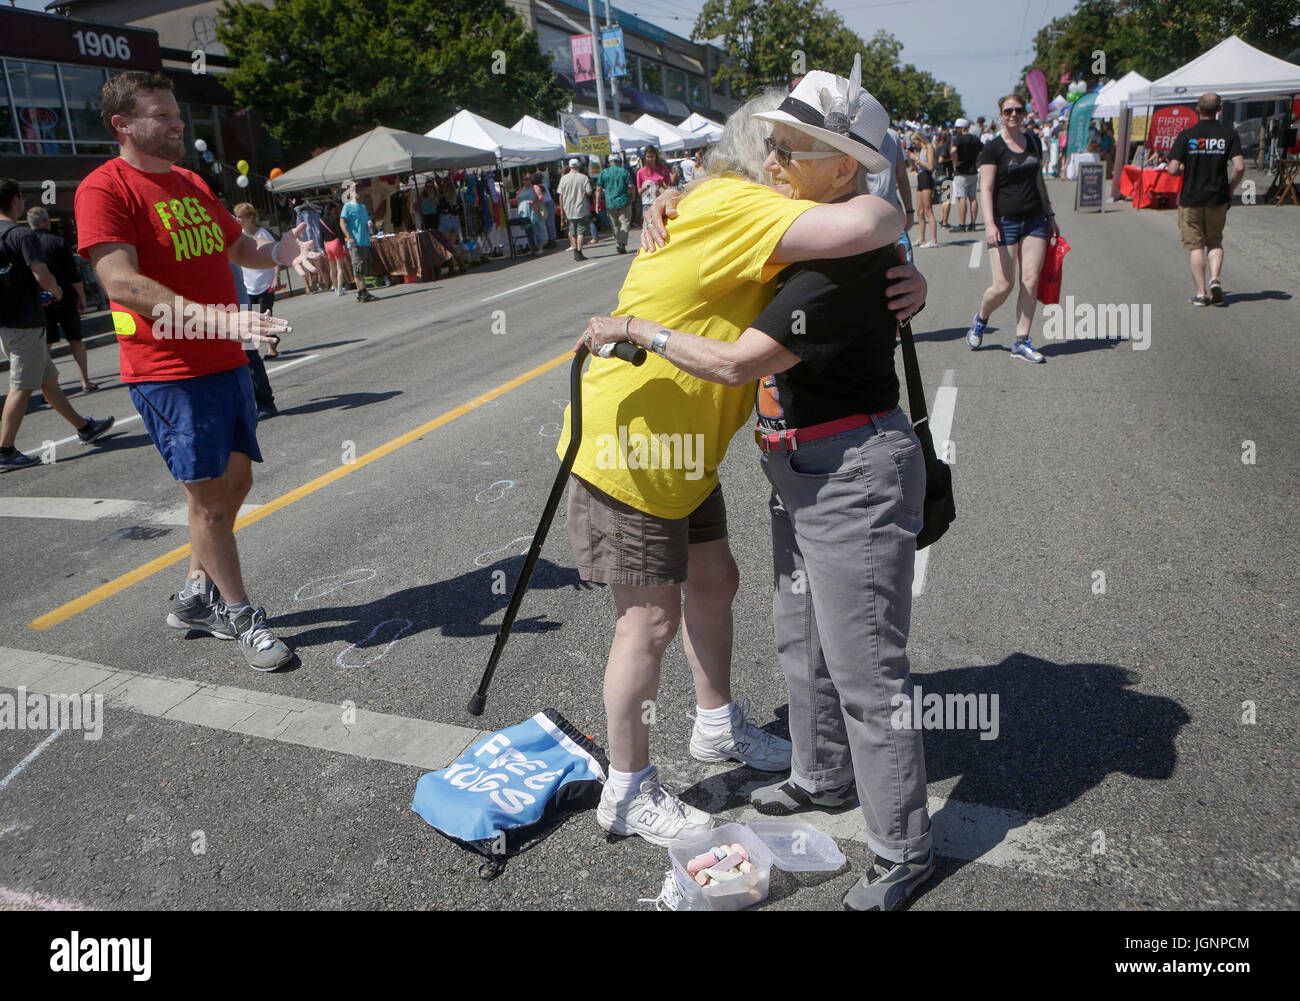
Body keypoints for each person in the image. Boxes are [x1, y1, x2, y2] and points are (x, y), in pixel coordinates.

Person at [586, 65, 936, 910]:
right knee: (803, 645)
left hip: (850, 467)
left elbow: (742, 360)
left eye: (792, 148)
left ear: (844, 165)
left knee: (865, 668)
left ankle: (904, 847)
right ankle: (821, 776)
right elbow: (731, 202)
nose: (771, 158)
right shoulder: (800, 223)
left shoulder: (846, 252)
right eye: (770, 143)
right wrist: (661, 198)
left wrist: (632, 326)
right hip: (793, 465)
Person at [75, 71, 315, 670]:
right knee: (209, 502)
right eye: (163, 117)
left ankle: (194, 595)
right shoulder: (104, 189)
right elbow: (122, 283)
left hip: (224, 360)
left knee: (234, 487)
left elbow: (238, 249)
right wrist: (225, 322)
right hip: (169, 370)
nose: (179, 126)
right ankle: (240, 615)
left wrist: (281, 253)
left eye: (178, 115)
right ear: (122, 125)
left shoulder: (188, 181)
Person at [1, 180, 114, 471]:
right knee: (21, 385)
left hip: (8, 323)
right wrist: (56, 291)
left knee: (47, 381)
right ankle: (5, 450)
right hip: (26, 322)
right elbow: (41, 273)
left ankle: (84, 427)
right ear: (15, 200)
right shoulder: (20, 233)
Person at [966, 94, 1059, 362]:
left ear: (1025, 112)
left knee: (1030, 280)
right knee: (1003, 285)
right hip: (1004, 221)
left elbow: (1039, 180)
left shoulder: (1032, 141)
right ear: (1001, 115)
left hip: (1034, 220)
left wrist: (1049, 214)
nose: (1013, 115)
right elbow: (986, 188)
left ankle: (1022, 340)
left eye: (1018, 110)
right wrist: (990, 223)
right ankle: (981, 318)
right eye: (1008, 111)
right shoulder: (994, 148)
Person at [1166, 92, 1245, 307]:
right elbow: (1239, 166)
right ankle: (1215, 279)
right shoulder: (1229, 134)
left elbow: (1172, 169)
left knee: (1196, 246)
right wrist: (1231, 188)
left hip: (1191, 198)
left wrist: (1181, 166)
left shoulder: (1186, 135)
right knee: (1215, 241)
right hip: (1217, 197)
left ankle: (1201, 294)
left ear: (1197, 109)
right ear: (1219, 110)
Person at [26, 206, 96, 393]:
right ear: (46, 222)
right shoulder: (57, 242)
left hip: (40, 301)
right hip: (64, 297)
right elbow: (73, 274)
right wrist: (81, 298)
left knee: (45, 346)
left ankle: (47, 390)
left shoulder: (25, 244)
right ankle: (85, 381)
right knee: (76, 340)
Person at [865, 126, 915, 231]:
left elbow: (902, 178)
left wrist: (909, 211)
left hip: (890, 211)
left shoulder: (893, 136)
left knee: (901, 246)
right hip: (863, 214)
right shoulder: (853, 136)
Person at [340, 184, 378, 302]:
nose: (359, 193)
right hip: (355, 242)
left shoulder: (363, 207)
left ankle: (362, 292)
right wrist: (349, 237)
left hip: (364, 241)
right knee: (358, 267)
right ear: (351, 193)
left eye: (361, 190)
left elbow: (367, 222)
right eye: (357, 191)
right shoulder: (347, 206)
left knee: (363, 268)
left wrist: (370, 226)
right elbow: (342, 223)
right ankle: (362, 292)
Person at [595, 152, 635, 254]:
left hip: (610, 202)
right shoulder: (624, 172)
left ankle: (618, 243)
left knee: (615, 225)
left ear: (609, 162)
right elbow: (631, 186)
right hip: (624, 201)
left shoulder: (603, 173)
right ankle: (622, 243)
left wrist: (597, 203)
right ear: (619, 161)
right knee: (625, 223)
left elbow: (598, 189)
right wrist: (633, 197)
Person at [557, 158, 593, 262]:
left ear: (569, 167)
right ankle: (579, 251)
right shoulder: (583, 178)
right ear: (579, 166)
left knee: (572, 231)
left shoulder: (564, 179)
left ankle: (574, 249)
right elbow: (589, 191)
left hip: (568, 209)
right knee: (580, 231)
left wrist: (562, 208)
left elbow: (561, 195)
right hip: (581, 208)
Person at [950, 118, 981, 232]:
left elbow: (953, 151)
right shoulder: (975, 139)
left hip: (961, 172)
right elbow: (981, 151)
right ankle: (973, 224)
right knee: (973, 198)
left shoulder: (958, 140)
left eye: (957, 128)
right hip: (973, 170)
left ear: (962, 128)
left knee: (961, 197)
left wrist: (956, 161)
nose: (956, 130)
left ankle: (962, 224)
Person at [909, 131, 939, 247]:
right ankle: (921, 238)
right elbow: (914, 169)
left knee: (928, 210)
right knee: (919, 211)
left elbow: (930, 166)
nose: (913, 144)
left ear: (919, 139)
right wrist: (911, 159)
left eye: (914, 142)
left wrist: (917, 159)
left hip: (927, 178)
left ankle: (933, 239)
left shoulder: (928, 148)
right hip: (920, 178)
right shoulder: (918, 151)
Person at [634, 145, 674, 223]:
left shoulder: (662, 169)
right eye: (648, 157)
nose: (650, 159)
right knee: (649, 226)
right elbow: (639, 192)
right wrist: (645, 187)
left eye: (652, 156)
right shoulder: (640, 172)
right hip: (647, 204)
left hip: (661, 202)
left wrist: (661, 184)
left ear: (656, 157)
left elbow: (669, 185)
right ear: (645, 157)